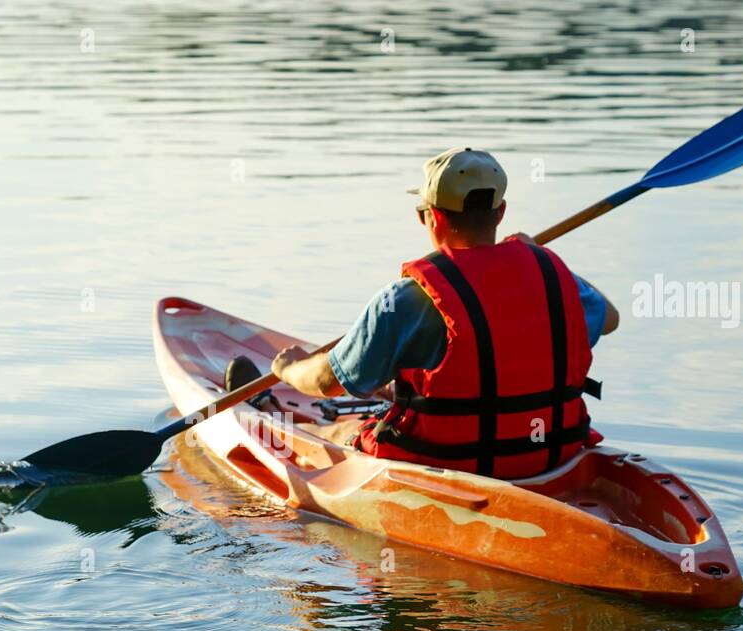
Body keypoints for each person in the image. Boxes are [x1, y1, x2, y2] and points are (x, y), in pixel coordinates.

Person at [243, 147, 620, 480]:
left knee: (336, 433)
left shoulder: (407, 300)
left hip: (448, 466)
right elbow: (610, 318)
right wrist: (542, 257)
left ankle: (268, 411)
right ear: (500, 213)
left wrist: (287, 369)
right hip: (551, 456)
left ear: (431, 217)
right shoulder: (555, 280)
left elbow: (327, 382)